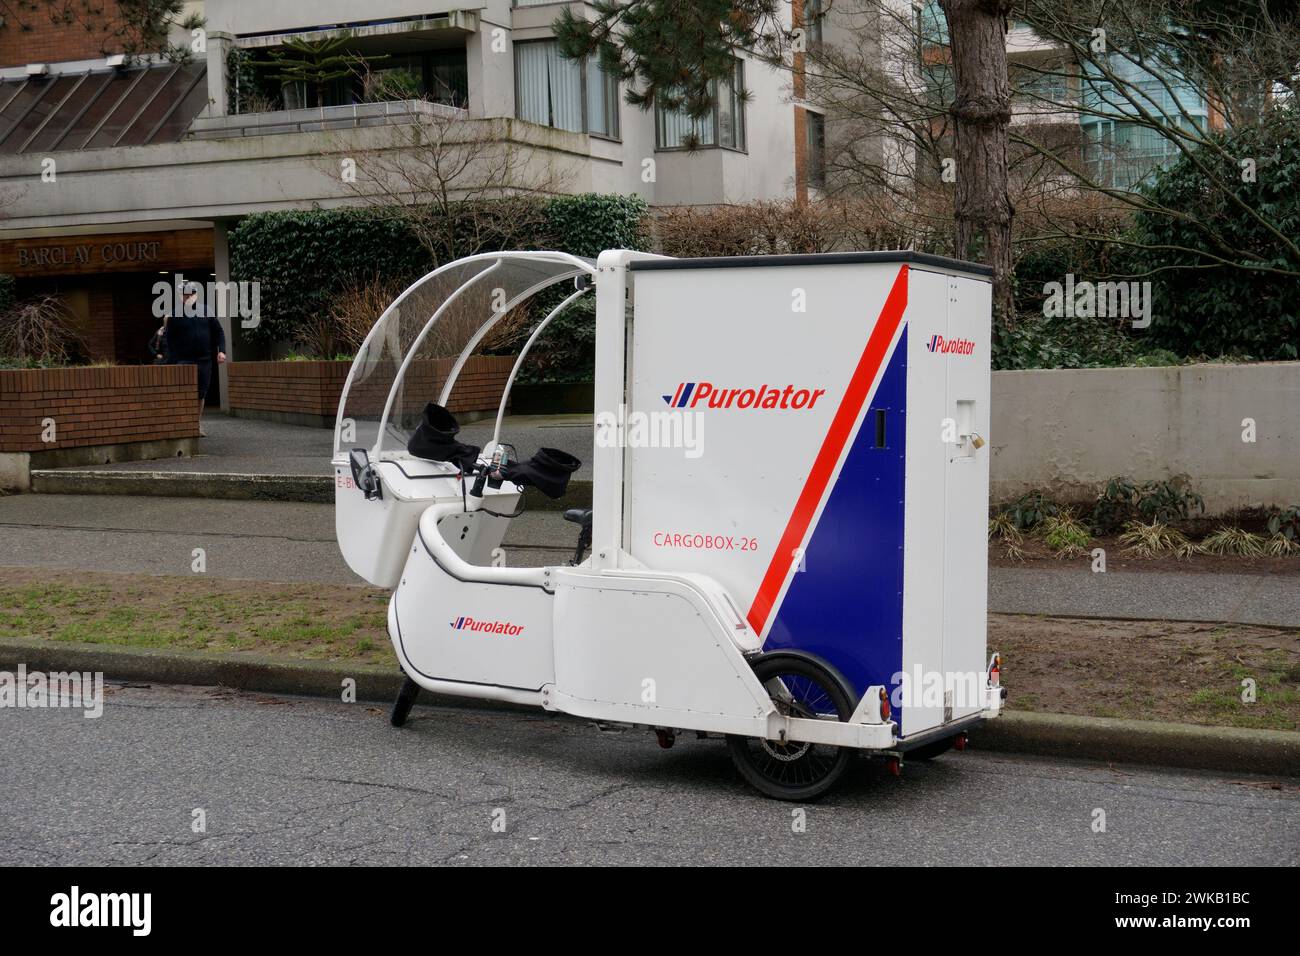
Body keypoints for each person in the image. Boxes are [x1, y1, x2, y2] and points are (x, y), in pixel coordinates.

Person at [162, 288, 226, 437]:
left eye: (192, 294)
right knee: (183, 391)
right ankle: (183, 424)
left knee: (200, 393)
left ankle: (196, 424)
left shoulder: (206, 311)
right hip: (183, 360)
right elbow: (169, 341)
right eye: (186, 295)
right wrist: (171, 361)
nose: (189, 297)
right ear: (181, 297)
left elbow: (219, 332)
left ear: (196, 295)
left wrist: (221, 351)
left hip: (204, 359)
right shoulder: (174, 315)